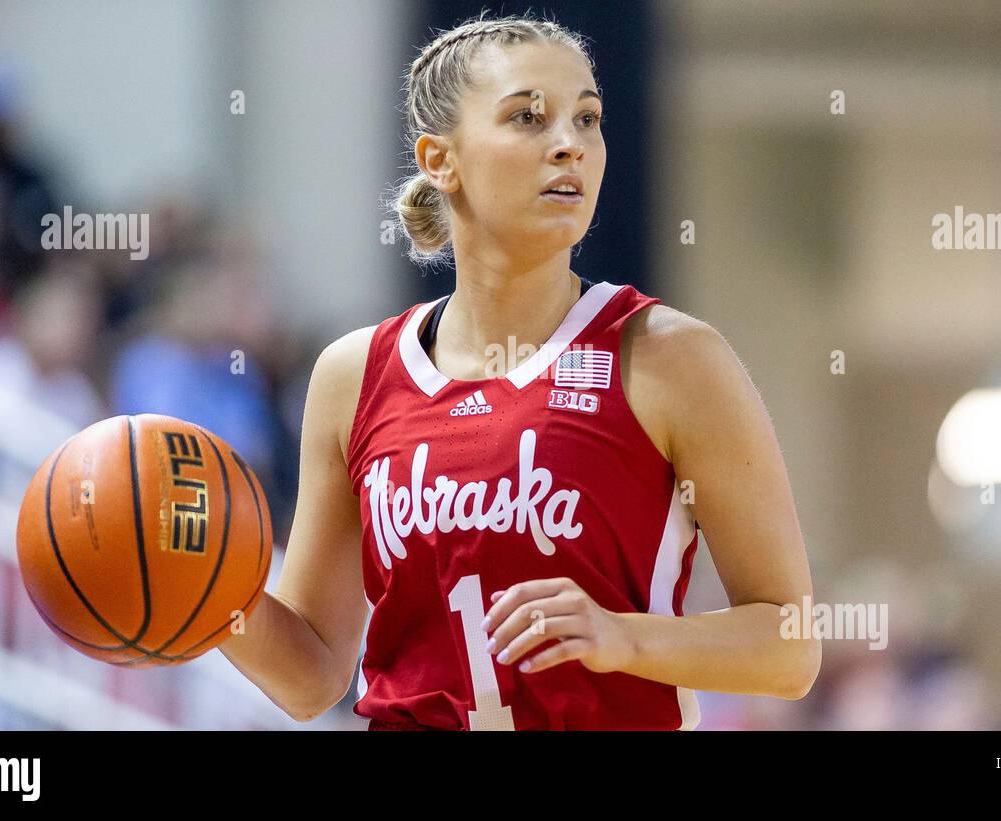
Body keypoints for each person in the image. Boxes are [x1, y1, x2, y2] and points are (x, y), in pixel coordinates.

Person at [219, 13, 819, 730]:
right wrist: (211, 601)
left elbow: (789, 645)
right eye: (528, 117)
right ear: (441, 160)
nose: (570, 144)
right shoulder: (355, 374)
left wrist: (624, 634)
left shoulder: (667, 355)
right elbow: (313, 673)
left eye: (588, 119)